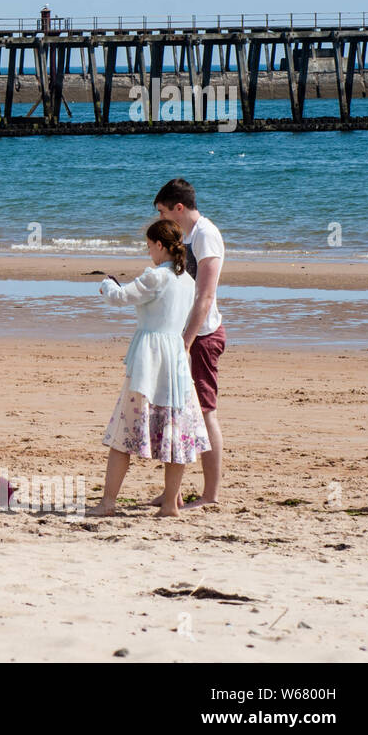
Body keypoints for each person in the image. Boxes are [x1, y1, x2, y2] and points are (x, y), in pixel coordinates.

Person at [89, 219, 210, 518]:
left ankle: (108, 503)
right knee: (175, 431)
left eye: (149, 246)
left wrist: (106, 284)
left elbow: (120, 297)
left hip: (150, 358)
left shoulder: (155, 277)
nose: (148, 252)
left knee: (124, 432)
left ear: (159, 245)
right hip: (175, 356)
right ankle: (170, 504)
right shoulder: (187, 281)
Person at [153, 178, 226, 509]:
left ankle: (210, 495)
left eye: (163, 212)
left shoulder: (206, 235)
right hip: (179, 334)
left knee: (205, 412)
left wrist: (186, 341)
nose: (160, 220)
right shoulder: (185, 236)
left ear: (178, 208)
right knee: (174, 413)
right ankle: (173, 492)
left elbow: (205, 296)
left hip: (202, 336)